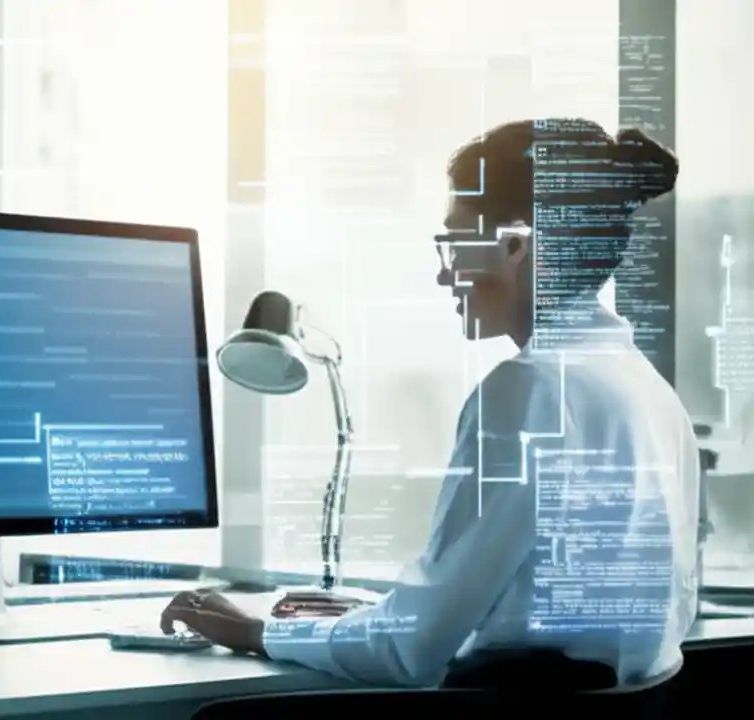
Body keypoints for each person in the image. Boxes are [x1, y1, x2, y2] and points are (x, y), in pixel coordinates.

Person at [161, 118, 698, 691]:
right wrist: (377, 618)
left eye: (454, 241)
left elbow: (409, 652)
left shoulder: (530, 389)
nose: (445, 273)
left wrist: (254, 630)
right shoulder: (648, 391)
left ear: (513, 246)